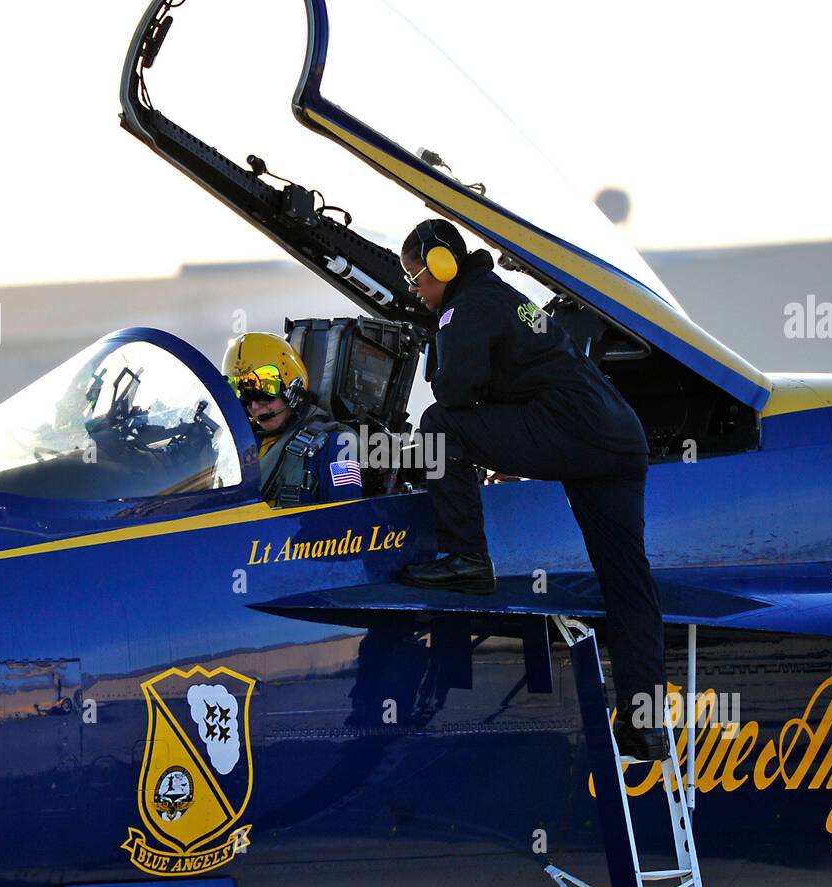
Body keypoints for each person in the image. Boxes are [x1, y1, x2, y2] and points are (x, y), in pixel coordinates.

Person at [395, 219, 669, 759]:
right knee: (629, 583)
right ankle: (645, 724)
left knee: (438, 425)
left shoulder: (465, 305)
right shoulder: (506, 296)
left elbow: (454, 391)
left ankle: (467, 559)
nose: (416, 292)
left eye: (416, 278)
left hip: (569, 428)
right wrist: (512, 445)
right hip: (616, 438)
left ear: (444, 269)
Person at [221, 331, 363, 507]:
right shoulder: (235, 446)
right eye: (243, 394)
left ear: (292, 389)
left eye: (263, 392)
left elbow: (350, 519)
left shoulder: (339, 446)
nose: (255, 407)